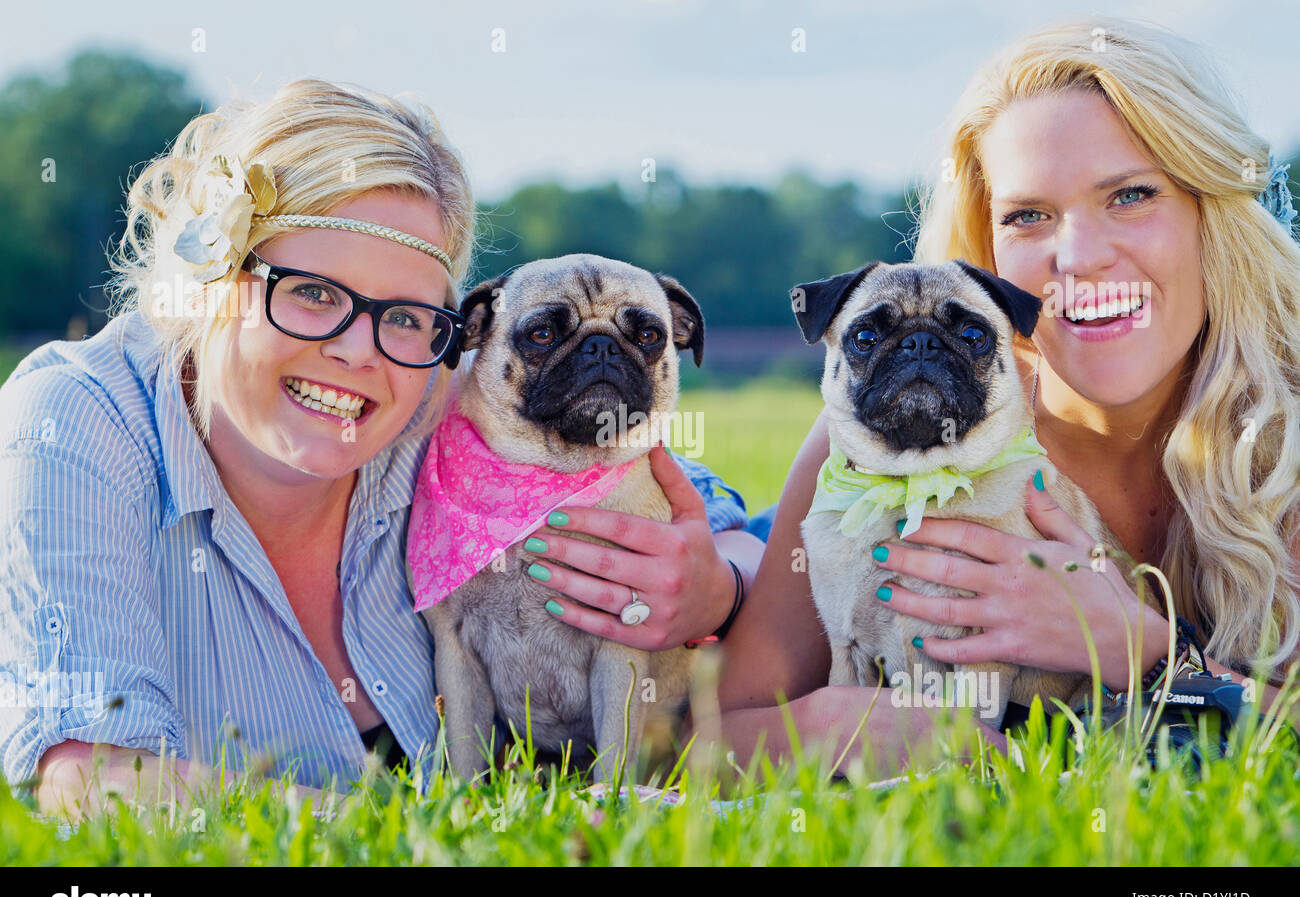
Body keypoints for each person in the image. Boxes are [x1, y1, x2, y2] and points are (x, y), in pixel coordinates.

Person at [0, 79, 760, 818]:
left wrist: (717, 587)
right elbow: (87, 780)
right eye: (313, 294)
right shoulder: (80, 421)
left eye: (402, 314)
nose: (359, 350)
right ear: (215, 283)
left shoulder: (436, 394)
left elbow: (695, 513)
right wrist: (439, 838)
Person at [715, 18, 1300, 772]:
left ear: (1208, 215)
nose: (1080, 257)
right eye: (1028, 216)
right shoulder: (880, 444)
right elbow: (691, 740)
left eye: (1129, 195)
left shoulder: (1282, 443)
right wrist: (832, 720)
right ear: (986, 249)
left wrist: (1143, 650)